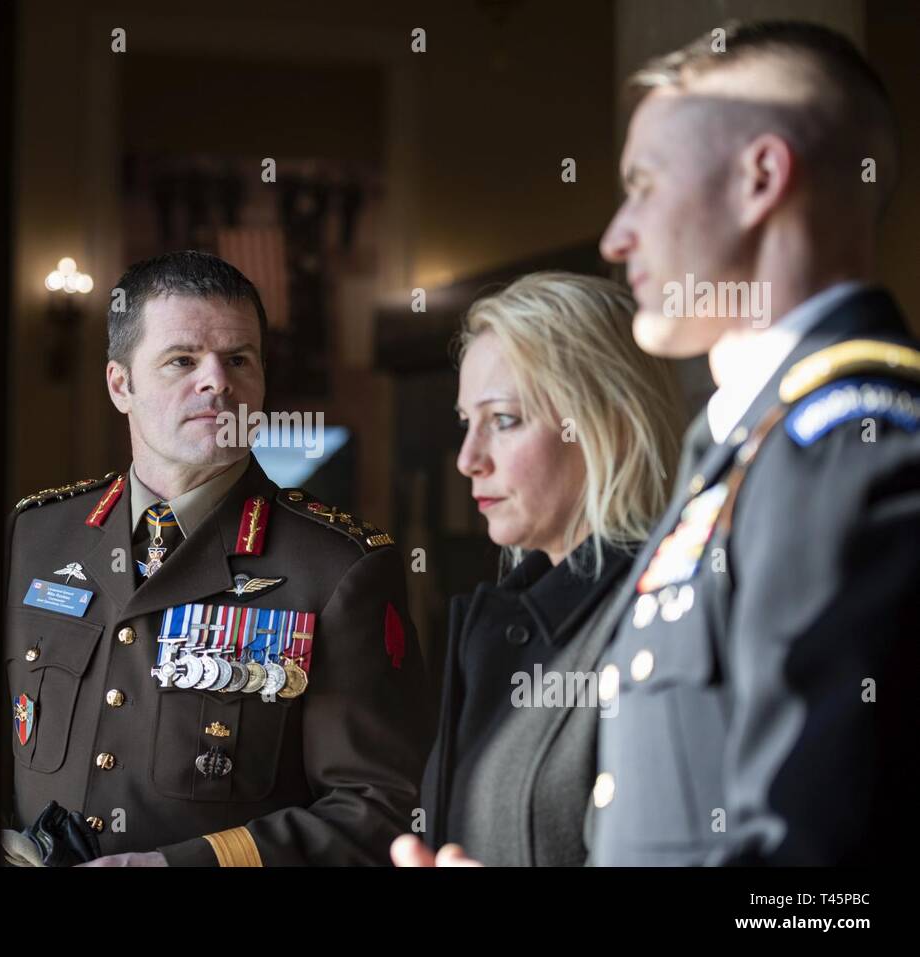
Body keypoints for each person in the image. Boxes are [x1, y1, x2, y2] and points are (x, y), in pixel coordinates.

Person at [590, 20, 920, 865]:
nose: (616, 236)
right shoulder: (749, 436)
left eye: (645, 185)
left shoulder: (850, 439)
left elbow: (813, 881)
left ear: (760, 178)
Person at [1, 249, 432, 866]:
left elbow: (380, 808)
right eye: (182, 360)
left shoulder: (338, 567)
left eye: (238, 360)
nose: (217, 382)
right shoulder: (36, 535)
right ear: (120, 384)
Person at [391, 271, 683, 867]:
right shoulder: (489, 624)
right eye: (466, 422)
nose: (469, 459)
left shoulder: (668, 615)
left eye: (503, 420)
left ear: (610, 425)